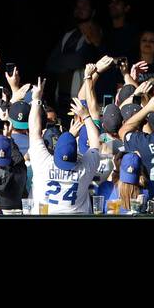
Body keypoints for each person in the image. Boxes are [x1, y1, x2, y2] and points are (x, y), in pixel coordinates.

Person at [28, 81, 101, 214]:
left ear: (55, 152)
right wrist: (86, 116)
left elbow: (34, 131)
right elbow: (95, 141)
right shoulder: (84, 168)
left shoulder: (42, 163)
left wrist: (36, 99)